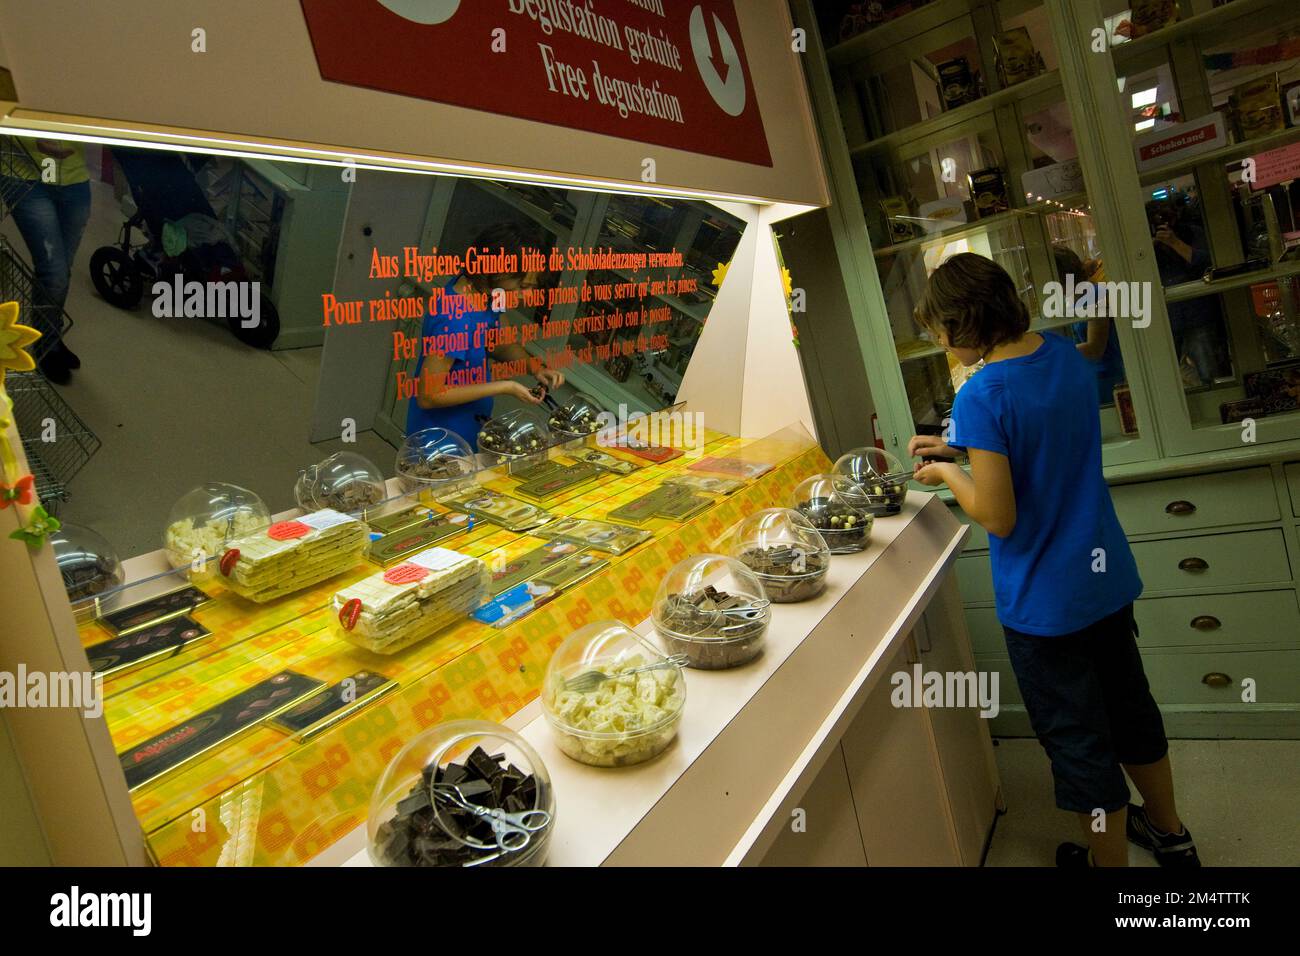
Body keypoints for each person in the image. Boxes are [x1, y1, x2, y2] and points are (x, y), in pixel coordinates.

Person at [908, 253, 1198, 868]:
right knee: (1130, 710)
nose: (937, 340)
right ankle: (1172, 835)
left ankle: (1107, 867)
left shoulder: (983, 391)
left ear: (963, 322)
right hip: (1104, 581)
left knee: (1078, 743)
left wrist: (949, 468)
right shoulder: (1065, 353)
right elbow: (1040, 427)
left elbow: (997, 514)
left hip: (1046, 605)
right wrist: (965, 441)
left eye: (939, 327)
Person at [406, 223, 564, 447]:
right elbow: (429, 395)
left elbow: (499, 342)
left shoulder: (487, 291)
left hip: (469, 428)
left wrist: (535, 368)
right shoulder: (455, 318)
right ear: (498, 271)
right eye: (522, 286)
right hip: (439, 439)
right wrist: (505, 386)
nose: (527, 295)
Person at [2, 138, 92, 384]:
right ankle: (46, 348)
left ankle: (51, 337)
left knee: (62, 268)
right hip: (25, 176)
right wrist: (31, 140)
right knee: (54, 272)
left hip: (75, 179)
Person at [1052, 246, 1126, 406]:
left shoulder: (1096, 295)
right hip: (1087, 376)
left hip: (1106, 379)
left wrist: (1048, 353)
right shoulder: (1070, 299)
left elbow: (1095, 348)